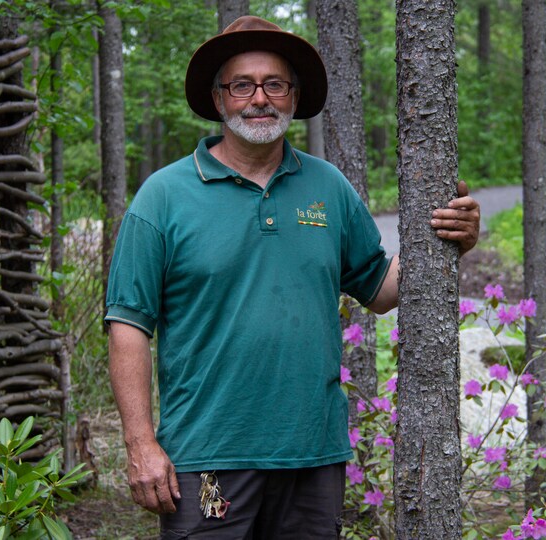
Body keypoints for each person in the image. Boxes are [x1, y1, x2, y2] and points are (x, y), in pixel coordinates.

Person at [105, 15, 480, 538]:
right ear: (219, 99)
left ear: (294, 96)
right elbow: (128, 324)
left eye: (274, 84)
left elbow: (380, 288)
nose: (259, 98)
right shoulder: (164, 197)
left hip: (312, 453)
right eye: (242, 85)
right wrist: (140, 443)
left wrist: (452, 240)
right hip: (205, 455)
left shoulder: (328, 187)